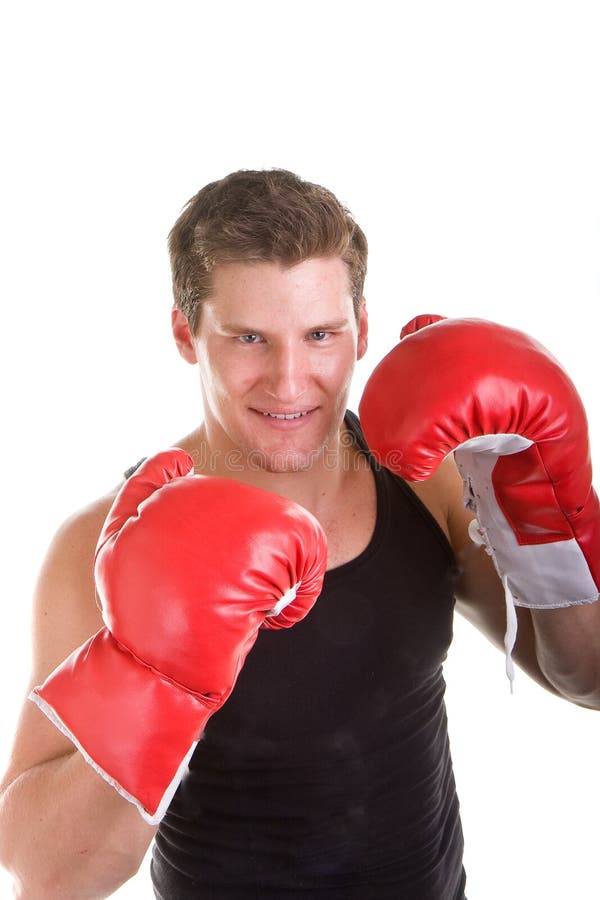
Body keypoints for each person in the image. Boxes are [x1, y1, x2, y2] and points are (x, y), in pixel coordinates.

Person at [0, 168, 599, 900]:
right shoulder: (105, 543)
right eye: (249, 338)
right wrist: (155, 675)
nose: (289, 382)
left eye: (320, 335)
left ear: (363, 330)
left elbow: (586, 679)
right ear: (187, 333)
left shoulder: (428, 481)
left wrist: (543, 515)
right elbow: (47, 873)